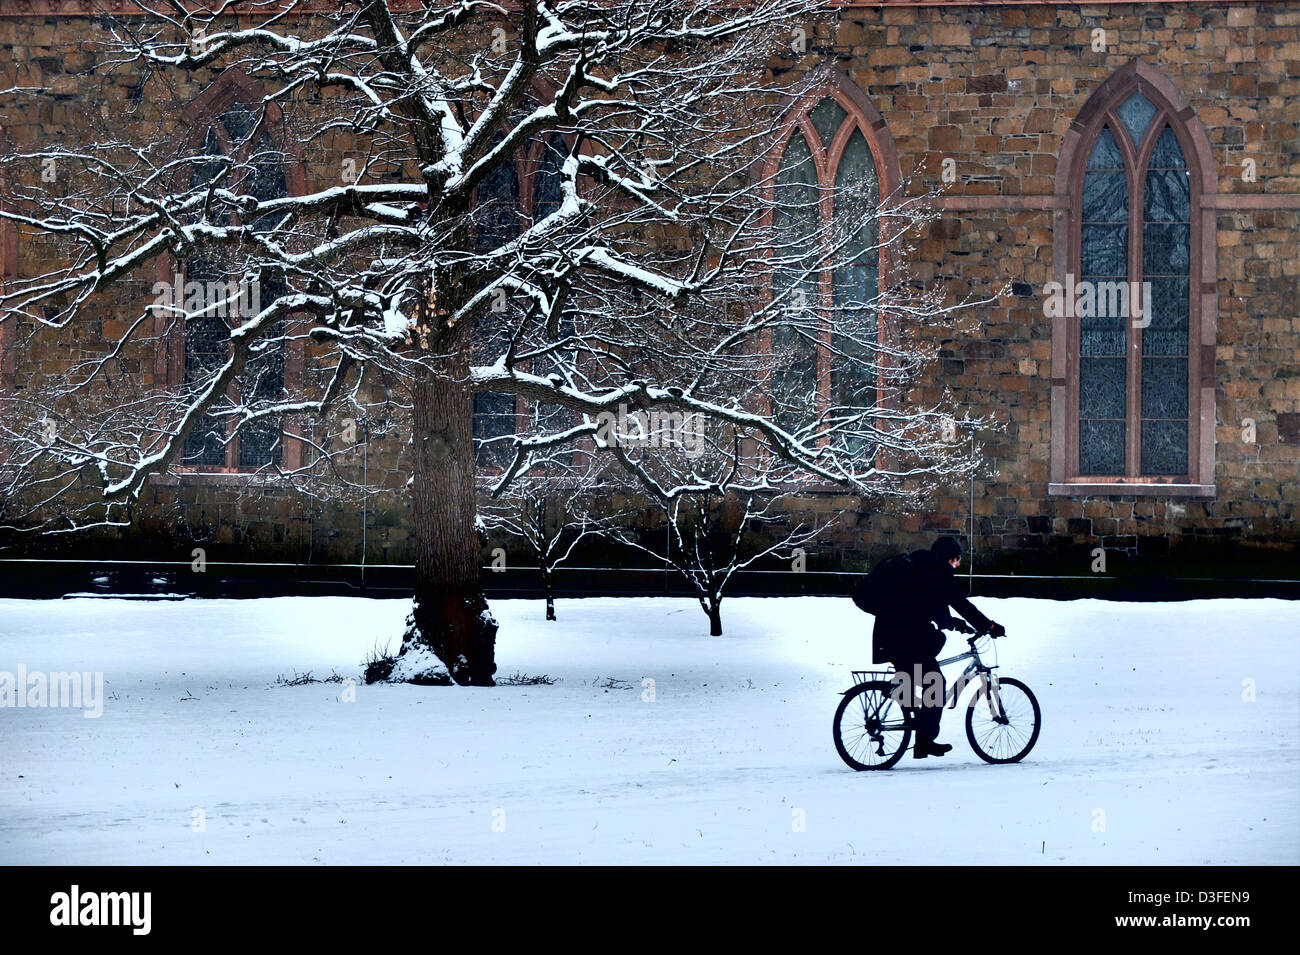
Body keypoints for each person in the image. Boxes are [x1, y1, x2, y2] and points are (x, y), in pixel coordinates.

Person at [882, 537, 1005, 759]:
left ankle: (922, 739)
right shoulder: (937, 571)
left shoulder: (921, 567)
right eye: (957, 560)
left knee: (925, 675)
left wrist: (954, 624)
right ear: (948, 557)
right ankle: (923, 736)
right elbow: (960, 603)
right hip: (906, 637)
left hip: (892, 633)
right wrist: (989, 626)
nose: (957, 565)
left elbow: (930, 606)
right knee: (936, 684)